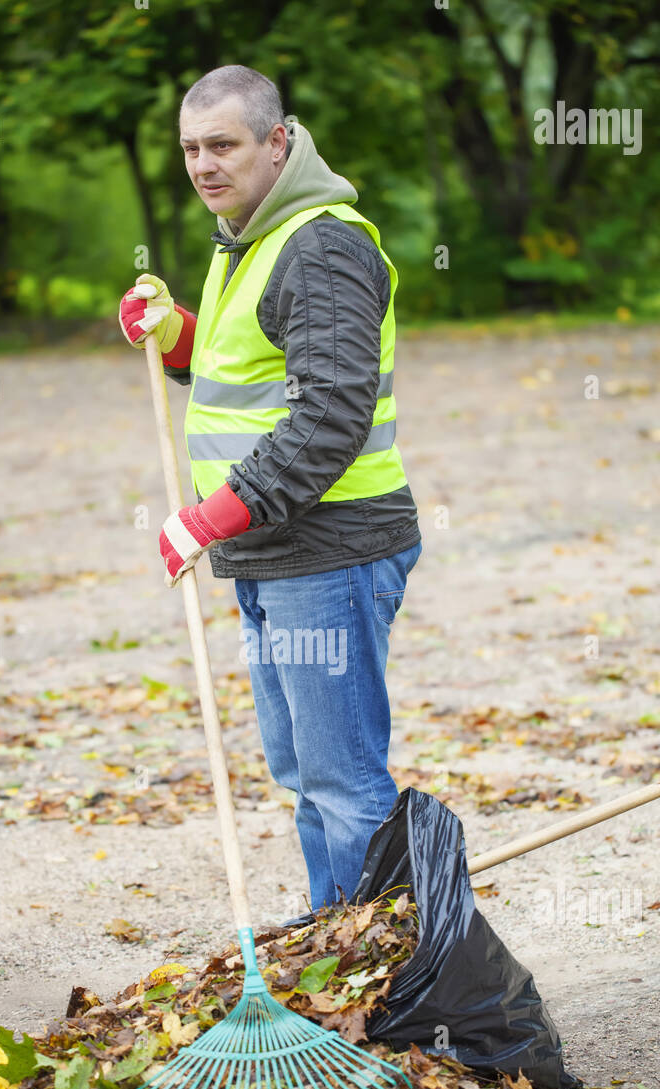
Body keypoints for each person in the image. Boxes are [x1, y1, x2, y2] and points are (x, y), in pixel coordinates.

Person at [119, 65, 421, 916]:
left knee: (341, 775)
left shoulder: (320, 243)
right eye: (189, 149)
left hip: (330, 551)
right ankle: (335, 935)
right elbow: (233, 378)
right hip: (272, 549)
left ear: (277, 142)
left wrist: (209, 518)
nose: (204, 165)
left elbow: (330, 415)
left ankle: (386, 975)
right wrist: (174, 333)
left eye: (224, 145)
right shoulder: (244, 239)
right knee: (301, 769)